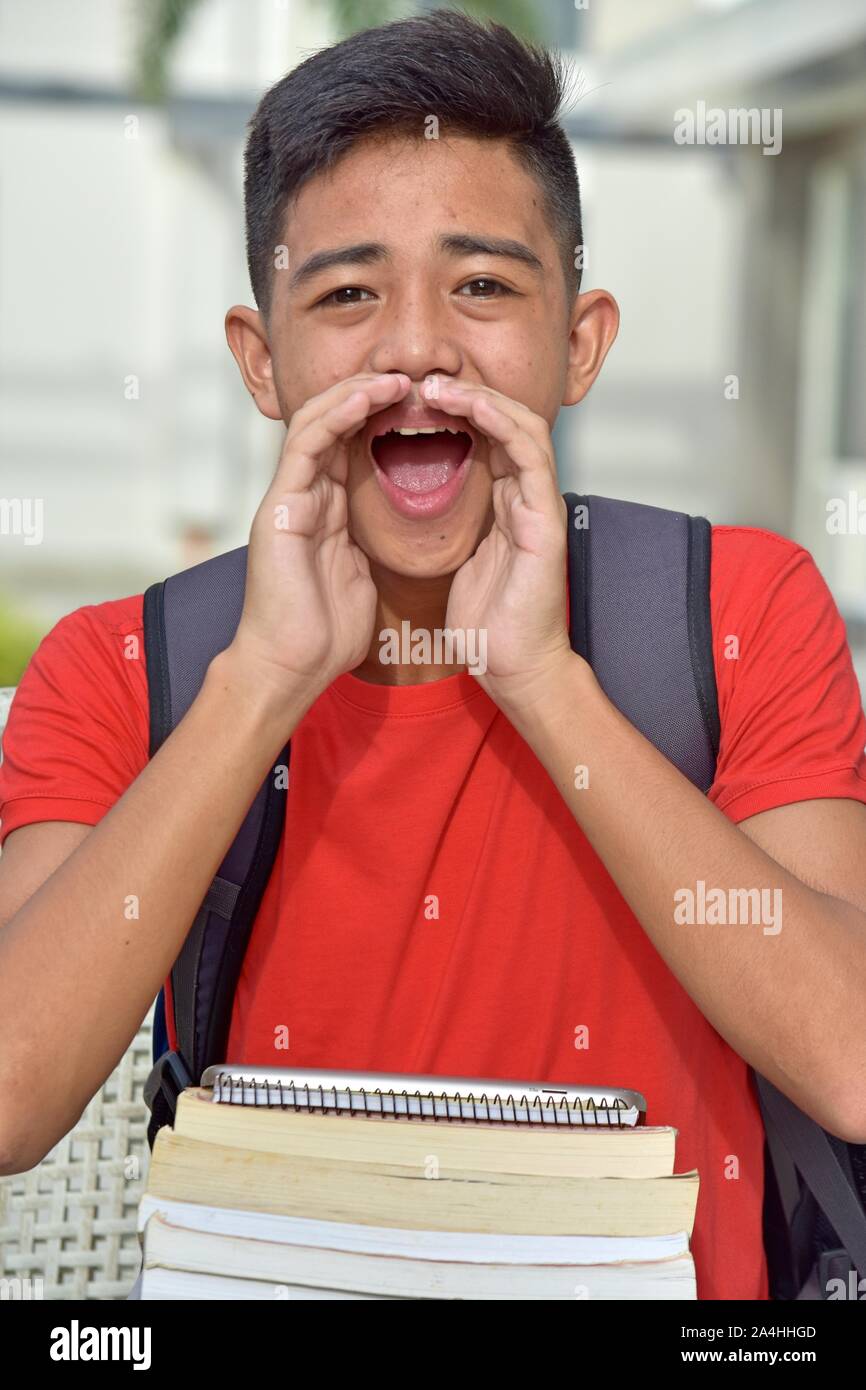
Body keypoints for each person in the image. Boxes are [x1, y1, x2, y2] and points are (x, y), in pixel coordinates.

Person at [1, 10, 865, 1302]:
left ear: (578, 341)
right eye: (347, 293)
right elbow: (13, 1099)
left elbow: (846, 1057)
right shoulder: (125, 665)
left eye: (482, 286)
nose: (417, 351)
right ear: (261, 359)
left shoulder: (735, 606)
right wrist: (260, 682)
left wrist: (543, 680)